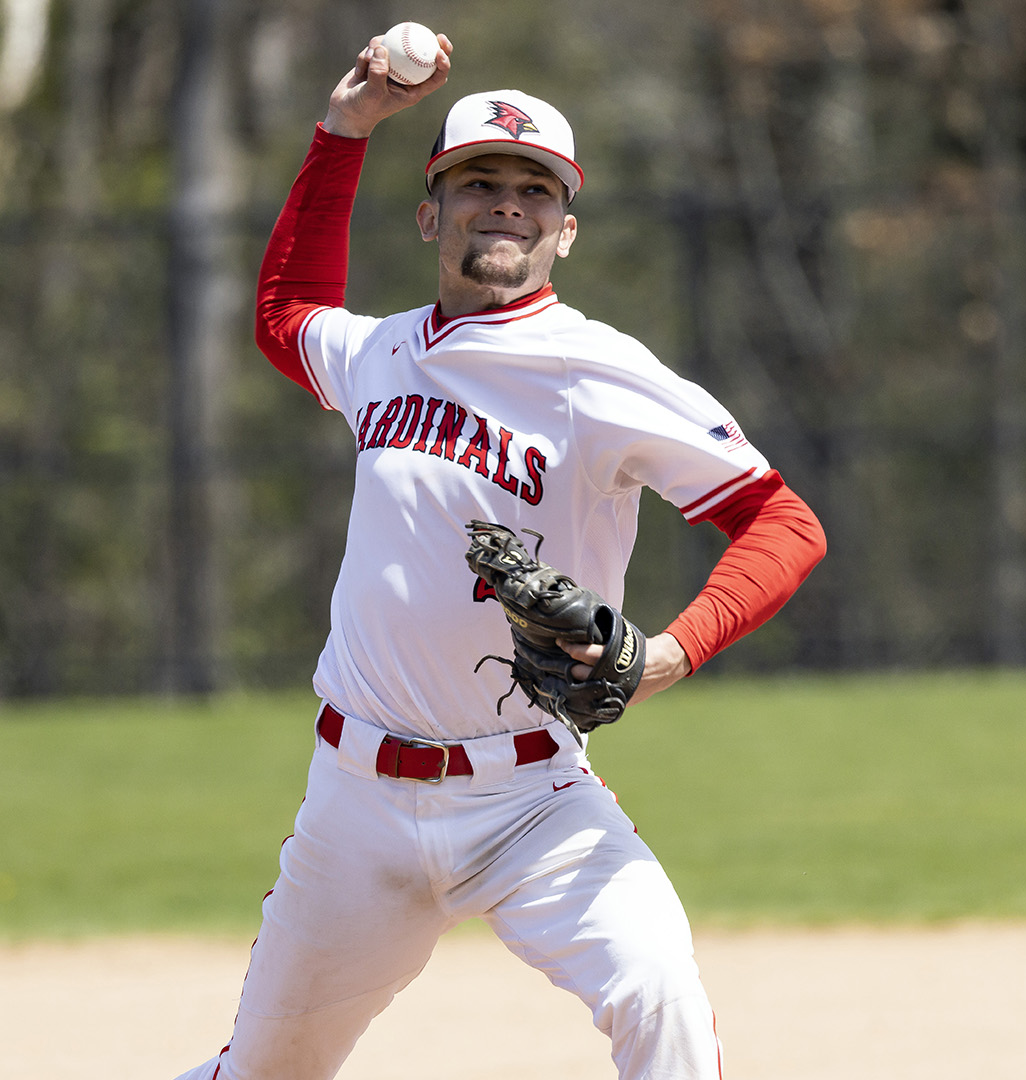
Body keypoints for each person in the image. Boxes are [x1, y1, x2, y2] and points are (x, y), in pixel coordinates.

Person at [174, 34, 826, 1080]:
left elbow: (786, 523)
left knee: (659, 997)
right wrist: (345, 131)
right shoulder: (379, 353)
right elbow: (285, 318)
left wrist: (668, 653)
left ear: (566, 230)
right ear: (433, 213)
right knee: (262, 1072)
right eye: (478, 181)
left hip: (531, 801)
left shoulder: (595, 371)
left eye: (535, 187)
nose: (506, 202)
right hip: (357, 805)